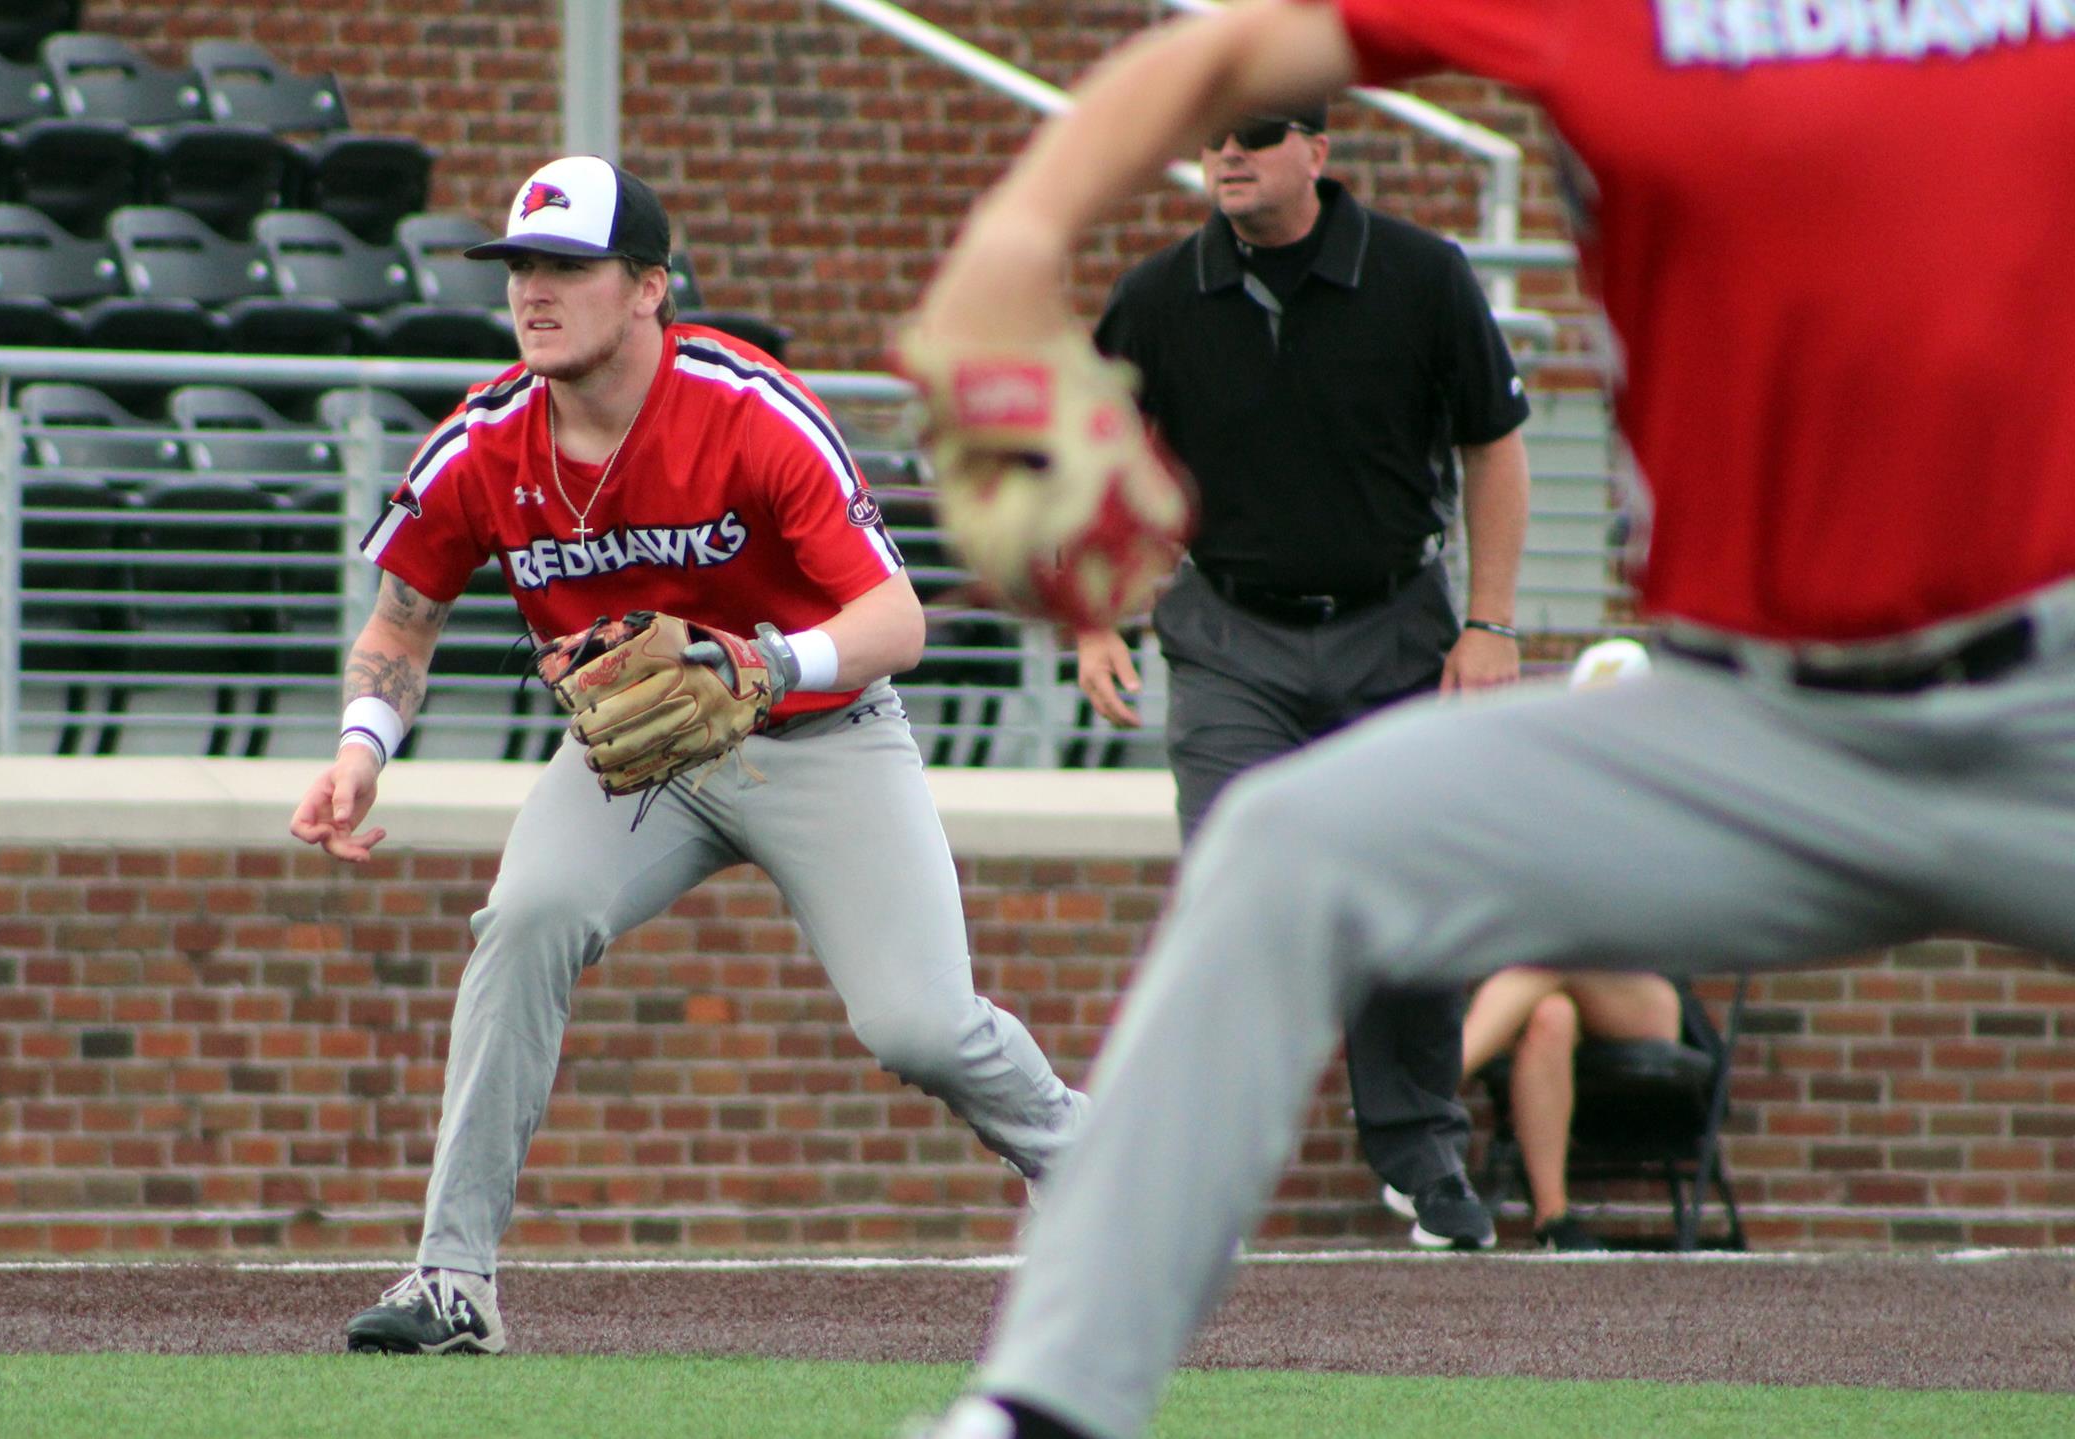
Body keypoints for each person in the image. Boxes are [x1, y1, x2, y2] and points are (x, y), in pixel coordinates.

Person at [905, 2, 2075, 1436]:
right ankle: (1044, 1409)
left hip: (2049, 703)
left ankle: (1412, 1152)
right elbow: (1224, 50)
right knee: (1282, 848)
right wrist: (1011, 248)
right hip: (1744, 731)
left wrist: (1494, 621)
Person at [288, 155, 1087, 1355]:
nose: (534, 291)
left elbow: (896, 621)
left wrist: (765, 664)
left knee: (918, 1026)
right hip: (637, 760)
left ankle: (1089, 1158)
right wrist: (361, 747)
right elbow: (400, 626)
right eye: (520, 267)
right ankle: (452, 1278)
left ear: (649, 285)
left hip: (820, 733)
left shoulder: (748, 405)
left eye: (568, 266)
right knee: (524, 922)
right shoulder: (484, 439)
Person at [1078, 99, 1532, 1250]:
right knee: (1235, 889)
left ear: (1316, 153)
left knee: (1411, 891)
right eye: (1211, 136)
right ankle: (1205, 1161)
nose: (1227, 152)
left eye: (1256, 132)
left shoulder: (1423, 277)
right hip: (1232, 636)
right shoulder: (1157, 298)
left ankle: (1419, 1147)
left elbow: (1494, 444)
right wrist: (1092, 618)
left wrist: (1489, 621)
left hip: (1398, 630)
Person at [1458, 639, 1676, 1254]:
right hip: (1554, 977)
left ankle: (1435, 1083)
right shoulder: (1557, 799)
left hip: (1646, 997)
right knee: (1550, 1014)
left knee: (1548, 962)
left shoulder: (1673, 796)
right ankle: (1554, 1219)